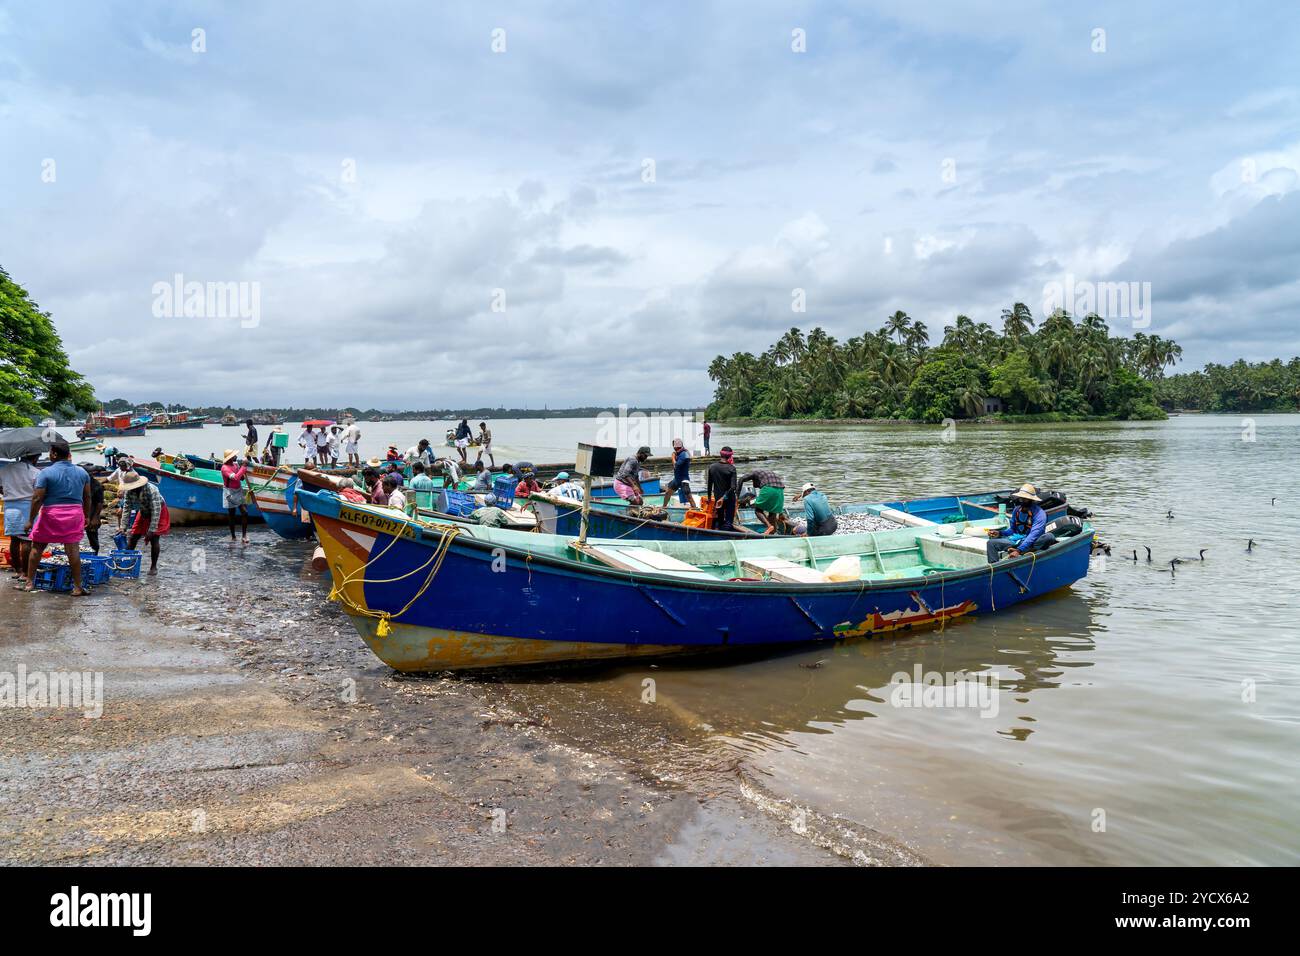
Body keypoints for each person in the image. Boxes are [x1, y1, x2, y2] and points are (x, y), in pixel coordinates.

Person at [21, 441, 91, 594]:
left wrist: (30, 520)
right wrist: (87, 516)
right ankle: (77, 587)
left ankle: (29, 582)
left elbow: (37, 498)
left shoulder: (45, 472)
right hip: (74, 514)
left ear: (54, 454)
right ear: (68, 454)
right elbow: (87, 496)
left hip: (51, 514)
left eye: (50, 453)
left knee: (37, 547)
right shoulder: (82, 472)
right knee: (73, 550)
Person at [986, 484, 1055, 562]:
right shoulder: (1016, 510)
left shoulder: (1039, 514)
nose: (1022, 500)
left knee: (1049, 537)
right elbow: (1012, 530)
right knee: (991, 543)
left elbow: (1033, 535)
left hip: (1033, 542)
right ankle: (994, 567)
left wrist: (1019, 550)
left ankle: (1026, 550)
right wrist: (1000, 533)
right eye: (1021, 498)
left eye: (1025, 499)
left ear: (1031, 500)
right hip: (1017, 541)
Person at [118, 470, 169, 573]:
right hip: (143, 510)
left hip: (159, 511)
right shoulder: (129, 492)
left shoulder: (152, 490)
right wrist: (123, 527)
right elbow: (127, 509)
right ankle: (127, 564)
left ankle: (153, 567)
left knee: (154, 538)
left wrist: (151, 529)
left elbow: (156, 510)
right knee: (133, 536)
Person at [1, 453, 41, 580]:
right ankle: (25, 573)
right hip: (27, 507)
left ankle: (17, 570)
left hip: (10, 507)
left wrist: (8, 492)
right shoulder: (35, 472)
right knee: (26, 541)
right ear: (34, 458)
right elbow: (38, 494)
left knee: (14, 540)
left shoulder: (6, 469)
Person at [738, 466, 786, 535]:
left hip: (769, 488)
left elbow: (741, 479)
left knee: (758, 510)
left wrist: (737, 496)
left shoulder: (754, 473)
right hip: (780, 490)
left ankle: (769, 526)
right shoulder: (767, 474)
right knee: (772, 512)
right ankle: (772, 531)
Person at [220, 450, 251, 544]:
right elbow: (236, 478)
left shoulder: (235, 465)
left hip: (238, 490)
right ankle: (233, 536)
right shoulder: (224, 468)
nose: (236, 457)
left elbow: (241, 478)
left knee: (245, 513)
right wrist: (244, 466)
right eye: (234, 456)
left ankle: (244, 536)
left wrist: (243, 467)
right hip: (229, 492)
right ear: (229, 458)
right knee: (232, 515)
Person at [706, 446, 738, 531]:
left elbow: (709, 484)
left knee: (719, 519)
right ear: (730, 456)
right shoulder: (732, 468)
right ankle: (725, 533)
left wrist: (709, 498)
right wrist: (723, 498)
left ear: (721, 454)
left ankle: (717, 532)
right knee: (728, 522)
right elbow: (733, 487)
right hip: (729, 498)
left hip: (718, 498)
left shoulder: (712, 467)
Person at [663, 438, 698, 509]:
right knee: (667, 493)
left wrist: (673, 457)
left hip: (684, 480)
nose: (673, 447)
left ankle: (695, 509)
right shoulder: (679, 453)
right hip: (677, 479)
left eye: (673, 445)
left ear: (675, 446)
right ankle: (664, 507)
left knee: (689, 497)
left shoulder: (684, 454)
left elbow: (676, 466)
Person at [81, 464, 105, 554]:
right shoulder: (78, 483)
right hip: (78, 512)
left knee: (93, 538)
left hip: (91, 513)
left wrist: (95, 517)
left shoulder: (96, 485)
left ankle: (95, 555)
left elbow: (99, 502)